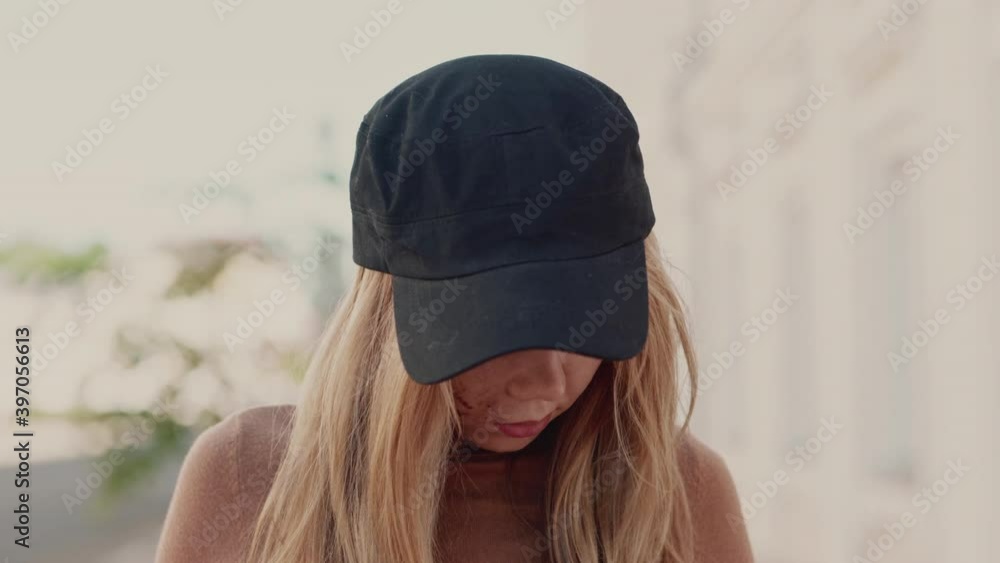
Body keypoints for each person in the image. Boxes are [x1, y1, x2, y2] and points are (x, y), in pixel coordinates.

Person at [154, 54, 754, 563]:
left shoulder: (679, 490)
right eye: (503, 328)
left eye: (584, 322)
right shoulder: (249, 476)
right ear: (388, 314)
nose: (545, 386)